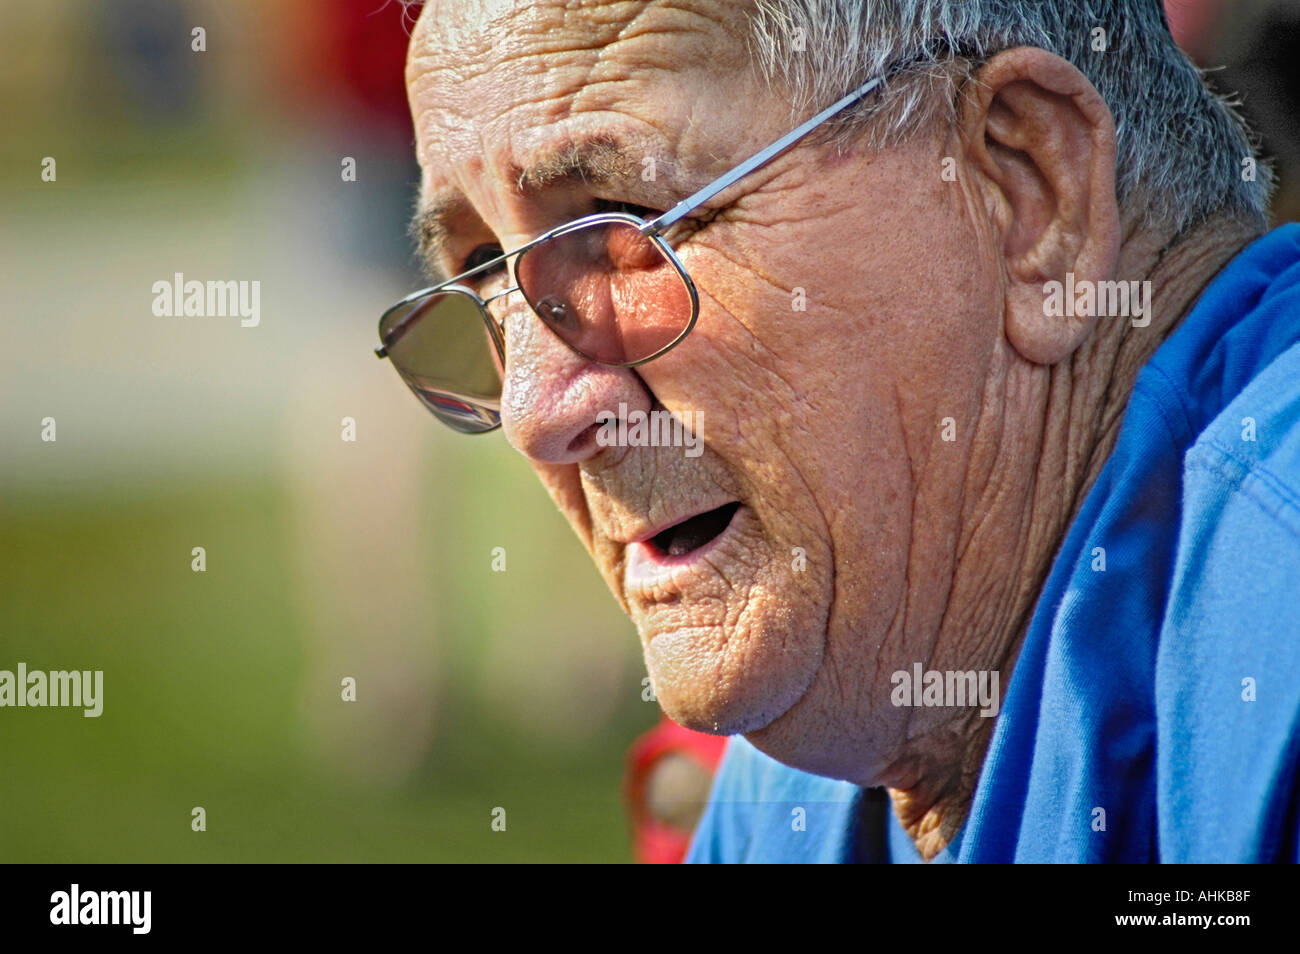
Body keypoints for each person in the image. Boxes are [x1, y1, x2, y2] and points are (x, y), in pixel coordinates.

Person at [376, 0, 1300, 862]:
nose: (538, 412)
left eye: (629, 227)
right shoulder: (813, 754)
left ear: (1030, 194)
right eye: (486, 266)